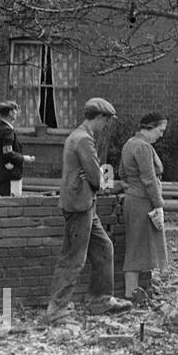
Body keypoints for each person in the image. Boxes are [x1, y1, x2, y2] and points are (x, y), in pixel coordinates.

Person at [43, 98, 132, 324]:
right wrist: (111, 183)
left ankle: (100, 300)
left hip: (85, 204)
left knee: (103, 248)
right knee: (73, 258)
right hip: (79, 206)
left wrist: (97, 179)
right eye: (107, 121)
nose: (107, 125)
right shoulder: (83, 140)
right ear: (100, 117)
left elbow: (93, 175)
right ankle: (56, 309)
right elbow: (96, 177)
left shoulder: (79, 136)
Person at [120, 112, 168, 306]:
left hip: (134, 199)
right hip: (143, 202)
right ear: (150, 127)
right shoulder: (143, 147)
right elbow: (149, 180)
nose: (161, 135)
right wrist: (159, 205)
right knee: (137, 249)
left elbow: (122, 173)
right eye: (160, 130)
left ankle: (141, 293)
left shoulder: (130, 143)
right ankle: (131, 295)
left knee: (141, 247)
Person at [0, 101, 34, 196]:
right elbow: (8, 153)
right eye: (15, 111)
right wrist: (24, 158)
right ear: (10, 113)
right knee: (9, 204)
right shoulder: (7, 131)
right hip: (8, 175)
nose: (17, 113)